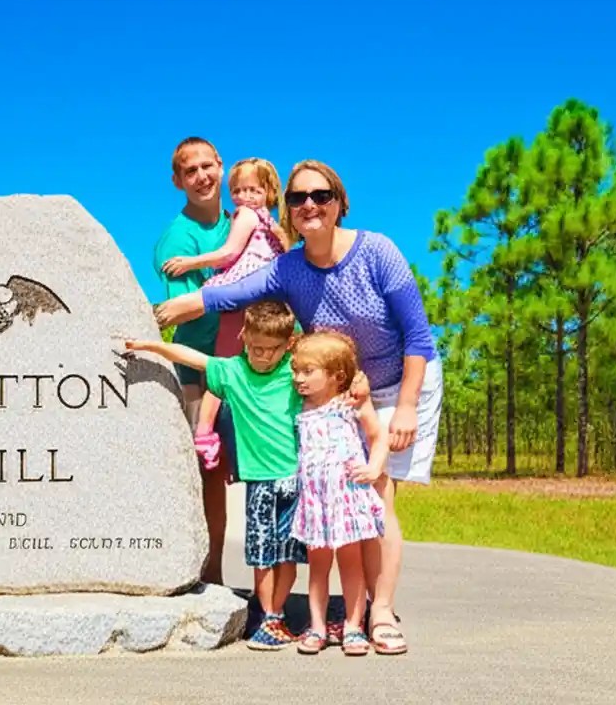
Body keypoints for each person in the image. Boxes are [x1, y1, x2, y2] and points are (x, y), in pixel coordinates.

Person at [154, 159, 442, 655]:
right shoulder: (290, 268)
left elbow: (418, 335)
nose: (309, 205)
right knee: (362, 496)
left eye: (320, 195)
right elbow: (238, 291)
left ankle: (380, 611)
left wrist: (409, 406)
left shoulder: (378, 252)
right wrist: (188, 305)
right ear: (286, 208)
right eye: (297, 198)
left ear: (339, 202)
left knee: (378, 496)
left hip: (401, 382)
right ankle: (357, 611)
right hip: (340, 386)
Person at [123, 301, 307, 651]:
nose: (263, 357)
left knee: (290, 557)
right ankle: (269, 617)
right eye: (255, 348)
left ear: (289, 344)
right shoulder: (233, 371)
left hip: (297, 481)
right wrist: (150, 345)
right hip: (260, 484)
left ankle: (278, 612)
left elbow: (331, 360)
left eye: (272, 350)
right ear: (243, 336)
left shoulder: (294, 370)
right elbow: (188, 356)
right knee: (263, 557)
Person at [160, 157, 295, 472]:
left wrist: (191, 263)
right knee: (243, 364)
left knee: (224, 366)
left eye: (253, 190)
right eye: (238, 190)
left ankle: (207, 432)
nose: (245, 197)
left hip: (242, 295)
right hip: (260, 298)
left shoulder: (249, 216)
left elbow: (229, 253)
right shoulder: (263, 220)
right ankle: (222, 432)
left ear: (269, 192)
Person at [152, 136, 232, 585]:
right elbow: (182, 309)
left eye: (207, 166)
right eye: (190, 170)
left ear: (221, 167)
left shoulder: (242, 222)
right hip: (199, 372)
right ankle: (210, 572)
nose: (201, 176)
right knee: (208, 475)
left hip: (252, 363)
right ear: (177, 180)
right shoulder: (176, 240)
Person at [288, 331, 388, 657]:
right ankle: (317, 626)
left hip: (346, 496)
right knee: (317, 566)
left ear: (336, 376)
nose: (298, 378)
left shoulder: (350, 405)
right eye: (296, 370)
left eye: (308, 371)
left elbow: (378, 436)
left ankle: (354, 626)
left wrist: (374, 468)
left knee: (351, 564)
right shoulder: (298, 405)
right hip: (316, 500)